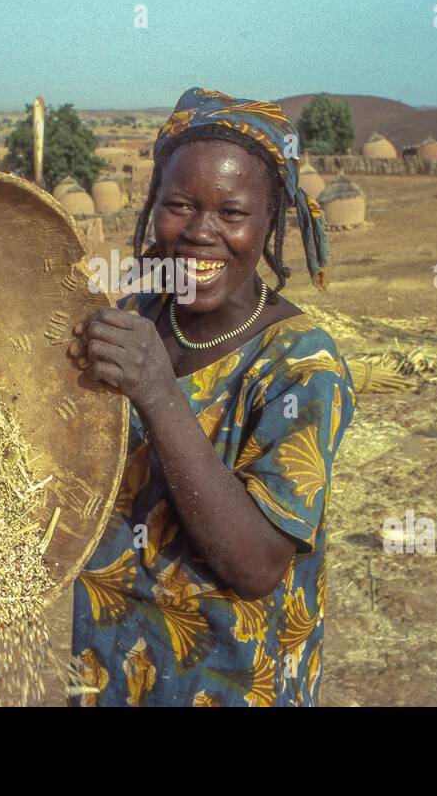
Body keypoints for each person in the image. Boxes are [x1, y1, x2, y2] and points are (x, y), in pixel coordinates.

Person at [67, 88, 358, 706]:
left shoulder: (300, 364)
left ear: (269, 222)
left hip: (229, 675)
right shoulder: (134, 319)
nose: (200, 232)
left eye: (231, 213)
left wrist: (157, 392)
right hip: (114, 660)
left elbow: (257, 565)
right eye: (179, 205)